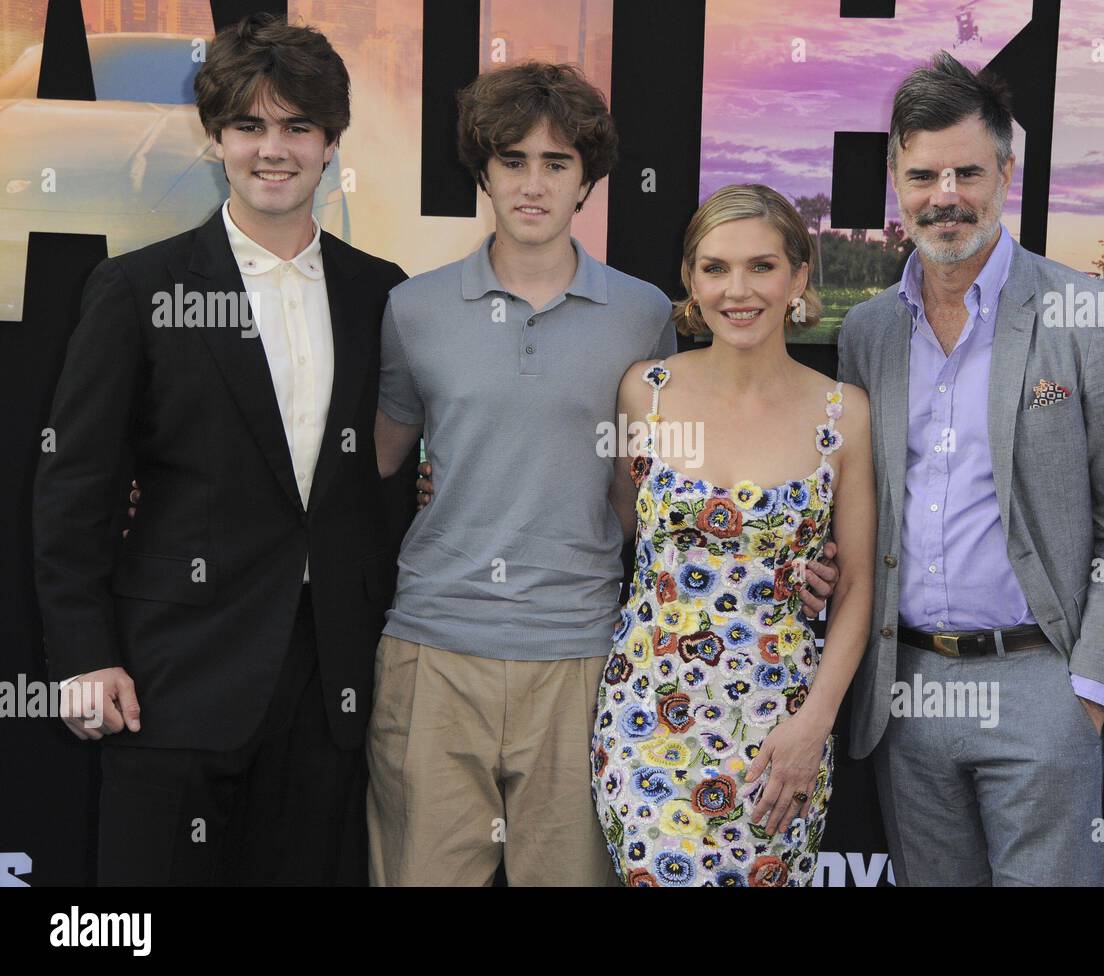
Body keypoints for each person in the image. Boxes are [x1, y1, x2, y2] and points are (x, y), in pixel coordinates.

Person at [368, 65, 839, 887]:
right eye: (512, 160)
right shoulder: (415, 308)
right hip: (434, 653)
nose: (533, 183)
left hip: (585, 659)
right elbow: (376, 463)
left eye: (557, 163)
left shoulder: (642, 314)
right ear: (481, 170)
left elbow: (657, 497)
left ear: (588, 179)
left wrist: (782, 564)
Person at [32, 14, 409, 884]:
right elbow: (75, 488)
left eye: (297, 127)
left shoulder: (378, 292)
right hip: (173, 670)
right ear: (215, 139)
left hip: (330, 683)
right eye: (249, 126)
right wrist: (86, 656)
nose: (272, 150)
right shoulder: (138, 288)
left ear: (330, 143)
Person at [838, 51, 1104, 886]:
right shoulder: (870, 332)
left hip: (1044, 685)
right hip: (905, 688)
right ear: (895, 180)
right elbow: (858, 503)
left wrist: (1087, 695)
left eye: (967, 171)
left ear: (1006, 174)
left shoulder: (1089, 315)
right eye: (922, 174)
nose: (944, 195)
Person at [591, 184, 875, 887]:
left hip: (781, 726)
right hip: (648, 719)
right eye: (715, 268)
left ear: (799, 277)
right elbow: (624, 525)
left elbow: (860, 586)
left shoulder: (844, 415)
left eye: (762, 266)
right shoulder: (644, 393)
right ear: (690, 280)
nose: (737, 290)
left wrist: (814, 726)